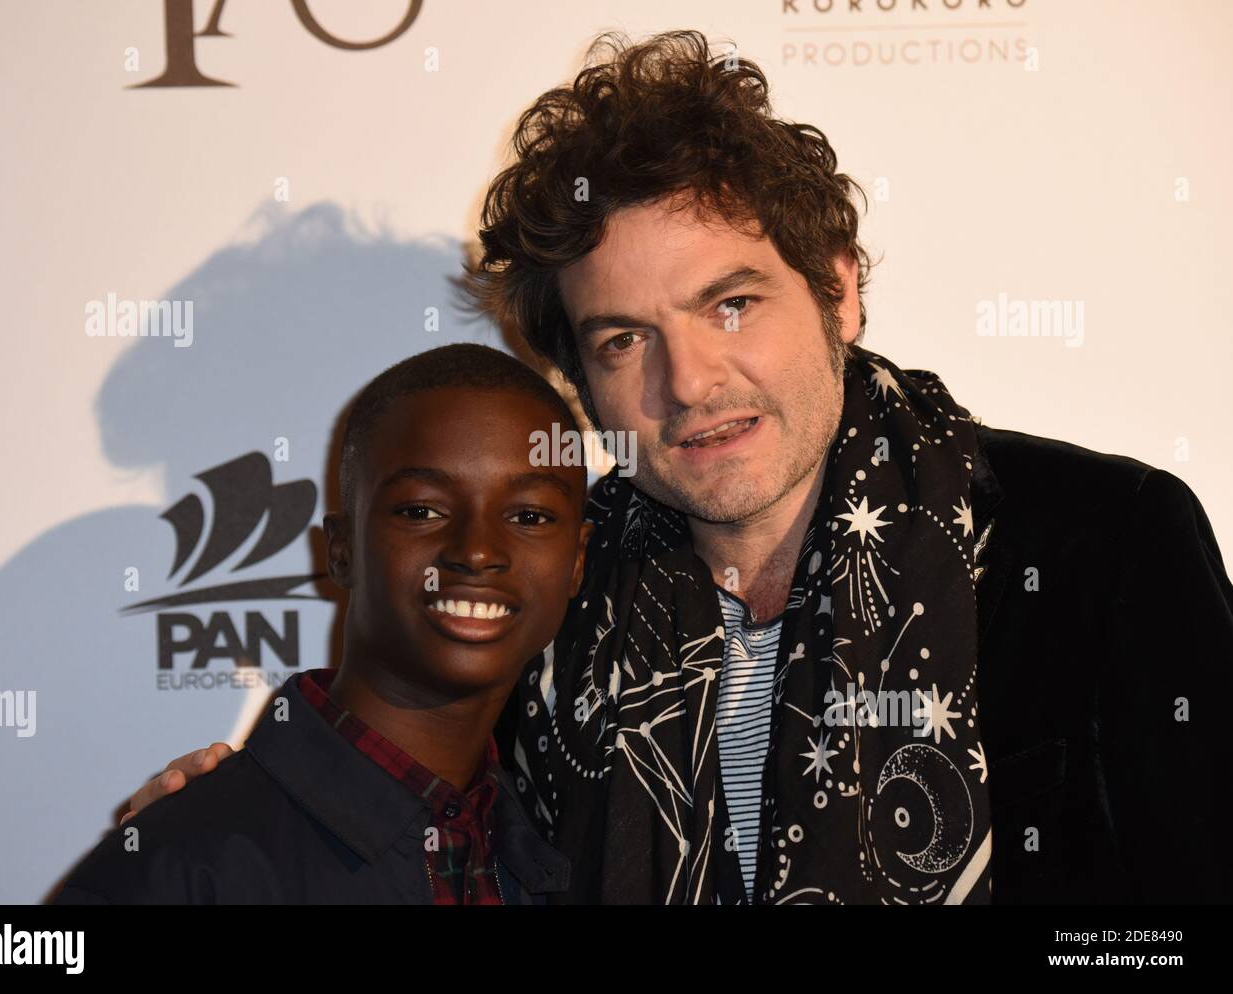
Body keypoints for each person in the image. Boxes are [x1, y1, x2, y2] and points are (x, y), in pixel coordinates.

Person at [123, 31, 1233, 904]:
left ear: (840, 289)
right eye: (623, 339)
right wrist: (247, 843)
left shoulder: (1099, 541)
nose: (689, 383)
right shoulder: (540, 597)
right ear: (580, 382)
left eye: (730, 304)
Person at [53, 344, 591, 904]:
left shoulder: (552, 851)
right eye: (421, 510)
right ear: (340, 550)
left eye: (530, 516)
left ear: (577, 562)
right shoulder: (184, 864)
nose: (478, 552)